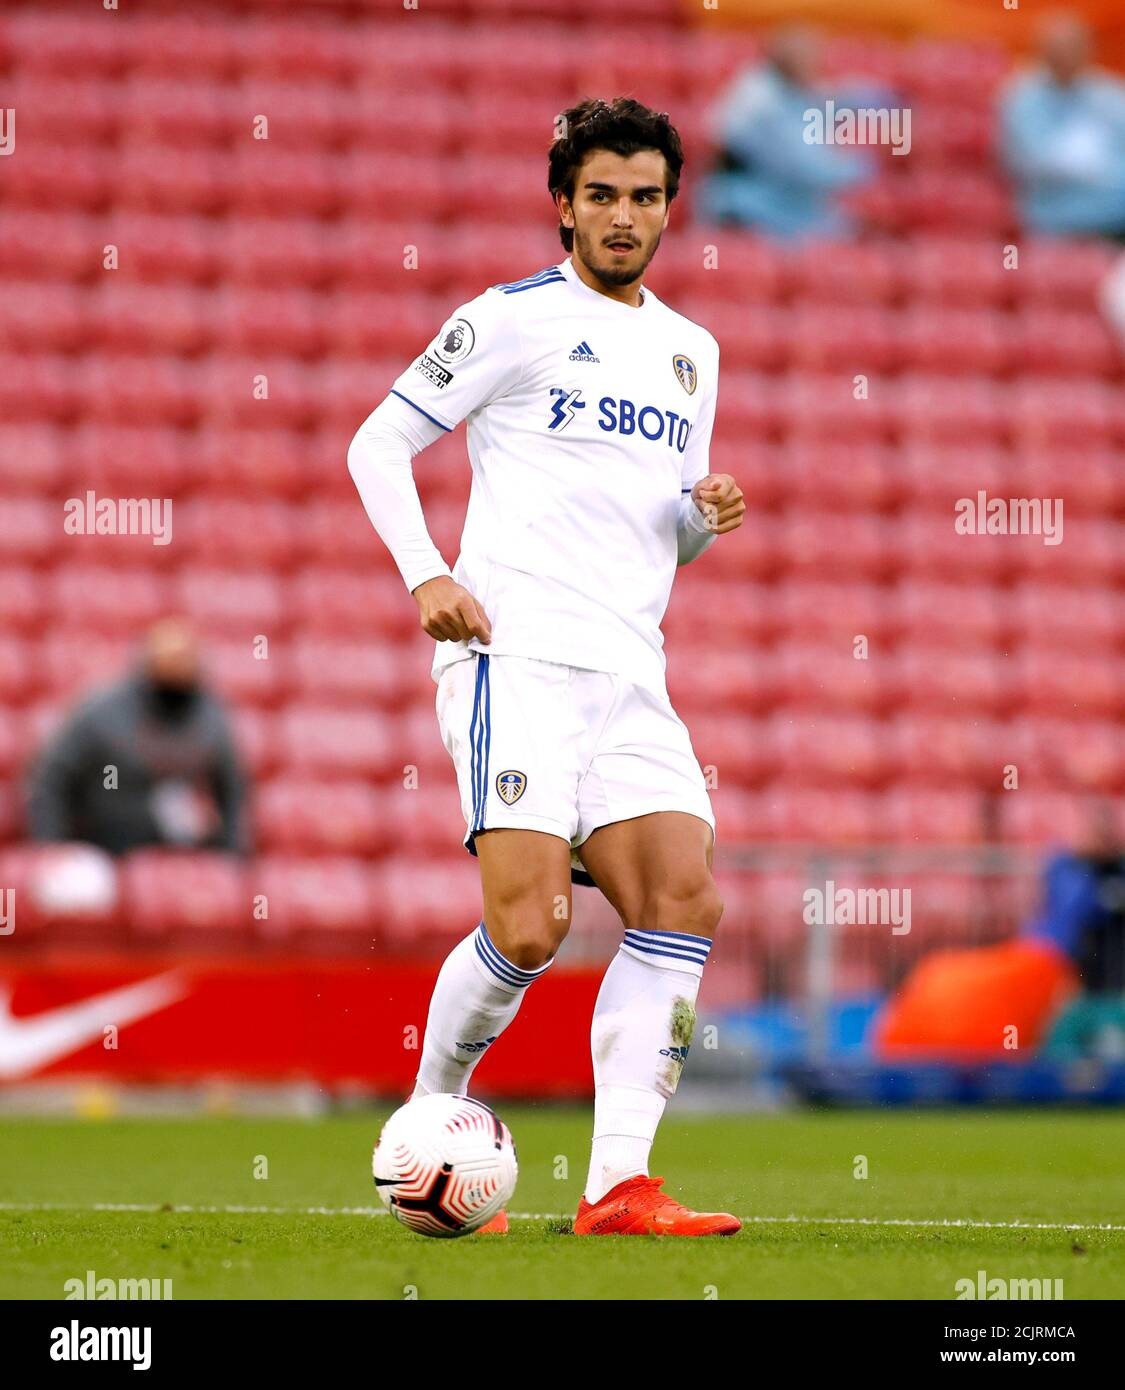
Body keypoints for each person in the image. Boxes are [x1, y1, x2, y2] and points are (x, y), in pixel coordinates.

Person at [348, 98, 746, 1236]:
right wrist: (427, 572)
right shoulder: (509, 320)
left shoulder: (690, 354)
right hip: (512, 660)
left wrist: (702, 517)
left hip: (633, 672)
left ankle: (618, 1184)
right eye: (604, 195)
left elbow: (656, 530)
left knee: (684, 896)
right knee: (529, 930)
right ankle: (429, 1114)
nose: (626, 217)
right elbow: (376, 441)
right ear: (564, 204)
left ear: (672, 208)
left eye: (647, 197)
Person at [26, 618, 249, 857]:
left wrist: (232, 855)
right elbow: (52, 776)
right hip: (98, 847)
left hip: (173, 849)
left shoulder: (210, 718)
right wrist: (52, 846)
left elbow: (232, 789)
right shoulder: (102, 712)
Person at [697, 25, 874, 239]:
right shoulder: (763, 101)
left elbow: (831, 99)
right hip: (748, 209)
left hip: (778, 202)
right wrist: (865, 164)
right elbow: (808, 169)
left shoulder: (778, 86)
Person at [1000, 14, 1125, 239]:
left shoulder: (1109, 94)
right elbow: (1029, 162)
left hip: (1115, 213)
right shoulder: (1022, 98)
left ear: (1088, 50)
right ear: (1043, 52)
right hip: (1054, 217)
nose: (1065, 56)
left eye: (1072, 48)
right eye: (1058, 49)